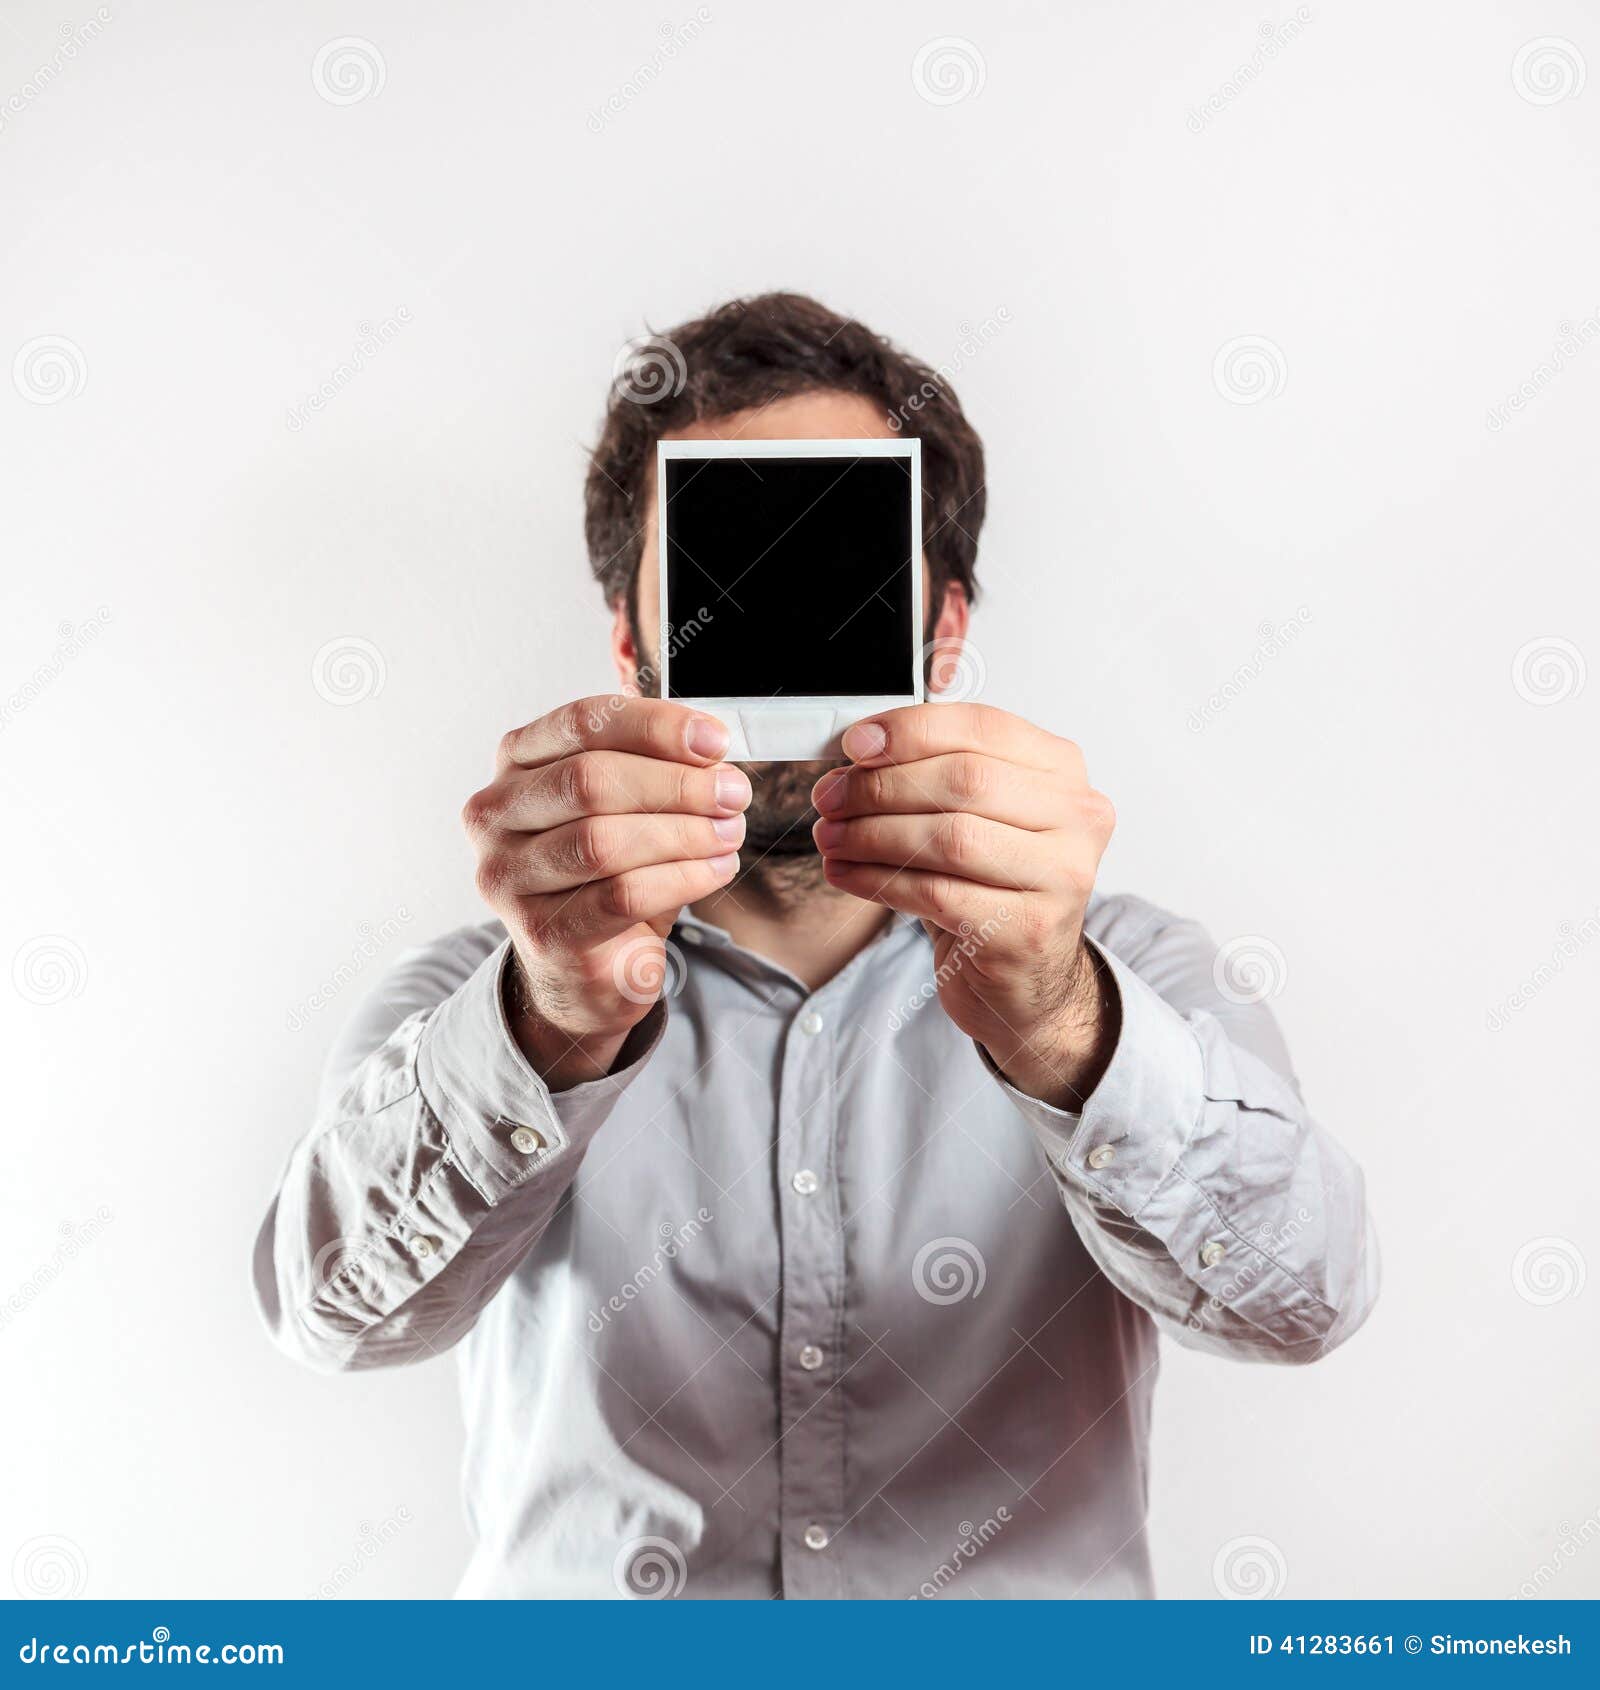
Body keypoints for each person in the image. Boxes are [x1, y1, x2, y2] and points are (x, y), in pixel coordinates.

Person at [254, 292, 1378, 1599]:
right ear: (634, 639)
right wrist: (547, 1021)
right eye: (730, 575)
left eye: (831, 564)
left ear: (941, 631)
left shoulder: (1134, 976)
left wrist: (1067, 1026)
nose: (779, 626)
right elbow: (331, 1312)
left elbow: (1307, 1298)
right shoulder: (471, 996)